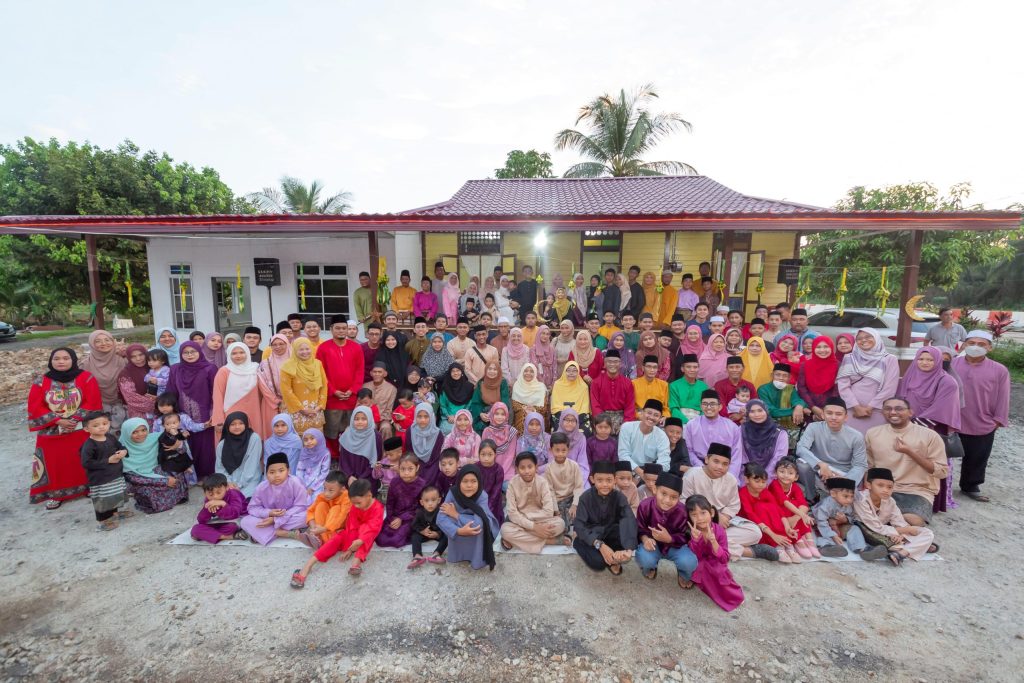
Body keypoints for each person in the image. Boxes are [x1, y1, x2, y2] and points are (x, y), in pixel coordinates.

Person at [899, 345, 964, 512]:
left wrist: (914, 424)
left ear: (938, 361)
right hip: (906, 425)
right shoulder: (910, 376)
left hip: (932, 430)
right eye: (920, 359)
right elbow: (900, 399)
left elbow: (943, 408)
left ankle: (932, 503)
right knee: (907, 462)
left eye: (930, 359)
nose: (924, 363)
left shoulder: (947, 381)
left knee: (929, 464)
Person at [865, 397, 948, 527]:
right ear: (882, 412)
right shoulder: (873, 433)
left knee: (911, 521)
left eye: (899, 409)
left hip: (916, 491)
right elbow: (869, 466)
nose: (892, 412)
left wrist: (910, 452)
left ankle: (892, 535)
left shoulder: (929, 435)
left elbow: (942, 472)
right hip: (882, 489)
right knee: (863, 517)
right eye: (888, 409)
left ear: (910, 412)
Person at [681, 443, 767, 561]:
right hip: (697, 522)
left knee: (755, 532)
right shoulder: (692, 475)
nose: (720, 467)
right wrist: (714, 516)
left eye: (725, 464)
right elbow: (683, 501)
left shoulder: (731, 479)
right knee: (691, 535)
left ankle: (711, 545)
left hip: (723, 523)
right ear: (707, 459)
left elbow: (734, 504)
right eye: (716, 461)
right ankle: (744, 552)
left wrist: (724, 516)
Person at [952, 330, 1010, 502]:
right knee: (943, 454)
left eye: (981, 344)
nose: (975, 347)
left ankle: (971, 485)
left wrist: (998, 419)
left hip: (982, 419)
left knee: (978, 455)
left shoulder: (999, 370)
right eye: (971, 343)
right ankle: (939, 486)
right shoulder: (953, 364)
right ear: (964, 345)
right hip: (953, 419)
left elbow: (1003, 396)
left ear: (989, 347)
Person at [291, 478, 383, 586]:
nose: (356, 506)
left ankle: (356, 563)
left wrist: (360, 540)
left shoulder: (378, 508)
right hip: (353, 533)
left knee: (366, 535)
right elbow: (352, 525)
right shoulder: (354, 506)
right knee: (337, 537)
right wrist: (350, 548)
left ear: (369, 495)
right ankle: (308, 566)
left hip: (367, 534)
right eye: (354, 503)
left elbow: (373, 527)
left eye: (358, 503)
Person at [855, 467, 937, 566]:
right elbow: (875, 527)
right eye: (880, 485)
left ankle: (901, 553)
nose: (885, 490)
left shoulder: (890, 501)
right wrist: (903, 531)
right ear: (868, 485)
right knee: (888, 541)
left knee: (928, 533)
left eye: (889, 487)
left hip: (888, 530)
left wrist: (900, 535)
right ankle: (918, 546)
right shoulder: (861, 499)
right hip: (866, 529)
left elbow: (899, 521)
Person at [572, 460, 637, 575]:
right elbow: (579, 526)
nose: (605, 484)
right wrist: (599, 545)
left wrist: (629, 549)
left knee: (624, 534)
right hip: (591, 535)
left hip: (609, 532)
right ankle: (609, 558)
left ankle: (613, 557)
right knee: (598, 563)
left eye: (609, 480)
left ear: (615, 480)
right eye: (600, 480)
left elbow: (629, 518)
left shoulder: (619, 497)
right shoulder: (585, 498)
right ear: (592, 480)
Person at [795, 397, 868, 499]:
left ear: (846, 417)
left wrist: (845, 480)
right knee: (801, 464)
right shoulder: (813, 427)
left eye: (838, 414)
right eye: (829, 413)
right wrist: (820, 464)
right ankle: (811, 497)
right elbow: (801, 448)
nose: (833, 417)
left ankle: (837, 492)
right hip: (819, 470)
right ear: (823, 415)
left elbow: (860, 465)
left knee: (854, 499)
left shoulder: (856, 436)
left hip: (842, 474)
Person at [684, 494, 744, 611]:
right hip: (699, 562)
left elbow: (724, 558)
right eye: (694, 515)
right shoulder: (690, 532)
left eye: (703, 513)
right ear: (689, 517)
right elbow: (694, 556)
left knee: (719, 571)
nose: (699, 518)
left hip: (716, 561)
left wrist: (713, 542)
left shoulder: (719, 530)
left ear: (711, 512)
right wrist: (696, 540)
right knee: (702, 569)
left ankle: (732, 596)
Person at [316, 317, 365, 456]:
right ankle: (334, 458)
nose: (341, 331)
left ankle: (349, 457)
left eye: (344, 328)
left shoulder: (356, 347)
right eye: (337, 328)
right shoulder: (323, 348)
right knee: (331, 431)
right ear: (331, 330)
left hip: (351, 397)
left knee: (350, 430)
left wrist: (353, 390)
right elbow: (321, 373)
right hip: (332, 398)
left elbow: (360, 370)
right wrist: (333, 391)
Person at [835, 328, 900, 434]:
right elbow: (843, 386)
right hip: (852, 410)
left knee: (874, 442)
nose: (863, 340)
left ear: (877, 338)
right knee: (852, 441)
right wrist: (856, 407)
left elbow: (890, 387)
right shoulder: (849, 358)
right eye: (859, 338)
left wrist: (870, 407)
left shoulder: (889, 359)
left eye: (868, 337)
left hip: (877, 410)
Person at [500, 451, 566, 552]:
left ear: (536, 467)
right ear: (517, 469)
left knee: (560, 524)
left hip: (537, 519)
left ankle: (520, 539)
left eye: (530, 467)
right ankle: (548, 541)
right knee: (505, 530)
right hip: (520, 521)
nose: (527, 471)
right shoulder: (512, 484)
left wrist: (532, 523)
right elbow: (512, 513)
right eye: (522, 468)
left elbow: (548, 511)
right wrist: (534, 527)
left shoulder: (542, 482)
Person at [120, 417, 190, 513]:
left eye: (144, 430)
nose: (140, 434)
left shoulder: (155, 438)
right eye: (134, 432)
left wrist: (178, 444)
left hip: (157, 470)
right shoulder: (121, 449)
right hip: (142, 480)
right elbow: (132, 478)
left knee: (175, 471)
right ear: (126, 433)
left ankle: (178, 498)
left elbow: (182, 450)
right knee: (148, 489)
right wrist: (163, 481)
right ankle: (156, 504)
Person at [437, 464, 499, 571]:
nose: (469, 485)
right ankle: (458, 555)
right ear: (459, 481)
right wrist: (458, 531)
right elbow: (440, 518)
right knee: (450, 520)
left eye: (473, 481)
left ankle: (476, 558)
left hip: (482, 523)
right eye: (465, 481)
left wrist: (456, 515)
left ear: (479, 482)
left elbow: (478, 525)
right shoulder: (453, 493)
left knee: (479, 523)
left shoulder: (482, 495)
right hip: (461, 526)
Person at [238, 453, 308, 545]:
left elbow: (301, 506)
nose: (276, 475)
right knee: (245, 521)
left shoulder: (296, 483)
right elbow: (252, 508)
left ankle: (267, 533)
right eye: (272, 472)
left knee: (307, 516)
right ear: (266, 474)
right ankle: (282, 533)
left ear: (288, 471)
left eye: (281, 470)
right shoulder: (261, 487)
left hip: (290, 515)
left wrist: (276, 520)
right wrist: (269, 513)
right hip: (269, 518)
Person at [739, 462, 803, 563]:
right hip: (752, 522)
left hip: (767, 524)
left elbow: (779, 510)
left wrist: (787, 528)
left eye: (764, 482)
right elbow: (751, 515)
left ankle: (786, 542)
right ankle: (777, 545)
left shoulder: (764, 491)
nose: (761, 485)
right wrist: (773, 535)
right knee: (759, 507)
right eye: (757, 481)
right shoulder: (743, 493)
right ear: (747, 479)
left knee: (772, 507)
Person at [79, 411, 131, 530]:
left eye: (104, 423)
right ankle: (104, 521)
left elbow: (120, 446)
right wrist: (108, 460)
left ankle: (115, 513)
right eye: (96, 425)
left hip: (115, 474)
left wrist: (124, 451)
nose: (101, 427)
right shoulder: (89, 445)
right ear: (86, 429)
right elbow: (86, 463)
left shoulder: (110, 437)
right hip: (100, 479)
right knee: (103, 499)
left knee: (116, 494)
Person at [811, 477, 884, 559]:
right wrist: (833, 535)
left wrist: (845, 519)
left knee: (854, 528)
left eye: (851, 497)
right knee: (822, 534)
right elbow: (821, 522)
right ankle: (827, 547)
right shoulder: (825, 505)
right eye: (845, 496)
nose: (849, 500)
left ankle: (862, 549)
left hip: (839, 526)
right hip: (824, 527)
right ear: (833, 494)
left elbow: (852, 517)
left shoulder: (848, 505)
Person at [683, 390, 743, 479]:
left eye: (712, 404)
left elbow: (736, 455)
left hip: (725, 470)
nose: (709, 407)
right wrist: (702, 468)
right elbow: (689, 450)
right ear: (701, 406)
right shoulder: (691, 425)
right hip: (699, 467)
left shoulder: (732, 427)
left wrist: (729, 476)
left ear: (720, 406)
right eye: (705, 404)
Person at [277, 338, 327, 434]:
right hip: (296, 411)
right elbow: (286, 390)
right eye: (301, 349)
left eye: (307, 349)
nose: (305, 352)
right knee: (297, 442)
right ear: (295, 350)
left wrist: (320, 406)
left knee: (315, 440)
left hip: (315, 411)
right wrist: (301, 409)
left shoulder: (317, 364)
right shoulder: (287, 366)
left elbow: (324, 385)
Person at [80, 330, 127, 432]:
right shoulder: (85, 365)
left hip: (123, 405)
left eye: (107, 340)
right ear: (92, 344)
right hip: (98, 407)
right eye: (98, 341)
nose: (104, 343)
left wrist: (126, 352)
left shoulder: (123, 359)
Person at [213, 412, 262, 497]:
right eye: (233, 424)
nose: (237, 427)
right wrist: (228, 482)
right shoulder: (222, 444)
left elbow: (252, 465)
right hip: (229, 481)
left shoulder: (254, 439)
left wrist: (239, 485)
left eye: (241, 423)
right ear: (227, 426)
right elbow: (219, 467)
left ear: (246, 424)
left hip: (249, 479)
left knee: (242, 499)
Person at [190, 473, 250, 544]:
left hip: (238, 519)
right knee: (195, 529)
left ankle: (209, 535)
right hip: (222, 522)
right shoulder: (209, 500)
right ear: (205, 493)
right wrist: (206, 508)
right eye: (211, 494)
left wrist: (223, 504)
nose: (215, 496)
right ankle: (229, 537)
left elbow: (235, 514)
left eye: (218, 492)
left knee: (232, 527)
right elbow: (201, 520)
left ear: (227, 487)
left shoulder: (234, 494)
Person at [589, 349, 636, 434]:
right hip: (602, 417)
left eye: (615, 362)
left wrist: (626, 424)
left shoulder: (628, 383)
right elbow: (595, 405)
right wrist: (602, 423)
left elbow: (630, 406)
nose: (612, 364)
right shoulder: (596, 382)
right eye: (609, 362)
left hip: (622, 417)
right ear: (605, 364)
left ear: (620, 363)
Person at [618, 399, 671, 474]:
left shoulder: (662, 436)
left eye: (656, 415)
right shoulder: (627, 427)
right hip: (627, 470)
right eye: (649, 413)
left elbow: (665, 462)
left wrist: (648, 474)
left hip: (650, 473)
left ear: (659, 418)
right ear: (642, 413)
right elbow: (623, 455)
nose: (651, 417)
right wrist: (640, 473)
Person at [338, 405, 383, 491]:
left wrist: (362, 478)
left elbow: (377, 459)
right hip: (349, 476)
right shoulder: (347, 434)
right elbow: (343, 461)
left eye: (363, 419)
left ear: (369, 419)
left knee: (364, 494)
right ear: (352, 420)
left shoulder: (376, 436)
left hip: (367, 475)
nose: (360, 422)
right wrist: (349, 476)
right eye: (356, 419)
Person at [757, 363, 811, 432]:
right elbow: (770, 411)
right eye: (778, 375)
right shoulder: (763, 389)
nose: (781, 378)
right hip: (769, 425)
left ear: (789, 378)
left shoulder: (790, 388)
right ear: (772, 375)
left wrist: (799, 406)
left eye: (785, 376)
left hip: (789, 426)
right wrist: (796, 410)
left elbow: (797, 400)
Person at [797, 336, 840, 418]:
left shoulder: (837, 365)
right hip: (809, 408)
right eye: (818, 347)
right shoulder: (805, 365)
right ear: (813, 348)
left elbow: (837, 389)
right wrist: (813, 407)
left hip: (832, 408)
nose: (822, 350)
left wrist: (827, 408)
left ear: (831, 347)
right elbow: (801, 387)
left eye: (826, 346)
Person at [118, 344, 156, 421]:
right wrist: (155, 403)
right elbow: (131, 397)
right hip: (139, 413)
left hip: (161, 410)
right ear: (129, 358)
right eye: (133, 357)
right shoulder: (125, 374)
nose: (138, 359)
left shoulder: (154, 367)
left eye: (141, 355)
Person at [294, 428, 331, 502]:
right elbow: (300, 470)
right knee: (301, 499)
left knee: (316, 499)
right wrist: (302, 485)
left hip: (319, 483)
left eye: (312, 438)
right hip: (304, 482)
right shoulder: (304, 452)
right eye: (306, 440)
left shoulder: (325, 453)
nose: (309, 442)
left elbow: (324, 473)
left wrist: (313, 487)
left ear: (319, 438)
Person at [550, 361, 591, 428]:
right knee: (558, 433)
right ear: (564, 372)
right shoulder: (557, 385)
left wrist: (574, 420)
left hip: (579, 417)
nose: (571, 373)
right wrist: (566, 418)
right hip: (561, 416)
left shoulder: (583, 387)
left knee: (585, 432)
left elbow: (584, 407)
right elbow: (555, 405)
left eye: (574, 371)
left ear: (578, 372)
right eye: (568, 370)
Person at [668, 354, 708, 423]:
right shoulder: (674, 386)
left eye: (695, 367)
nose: (692, 370)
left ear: (698, 368)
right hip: (679, 419)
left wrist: (698, 422)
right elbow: (674, 409)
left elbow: (705, 408)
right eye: (688, 367)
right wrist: (687, 422)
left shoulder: (704, 387)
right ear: (682, 369)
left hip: (699, 420)